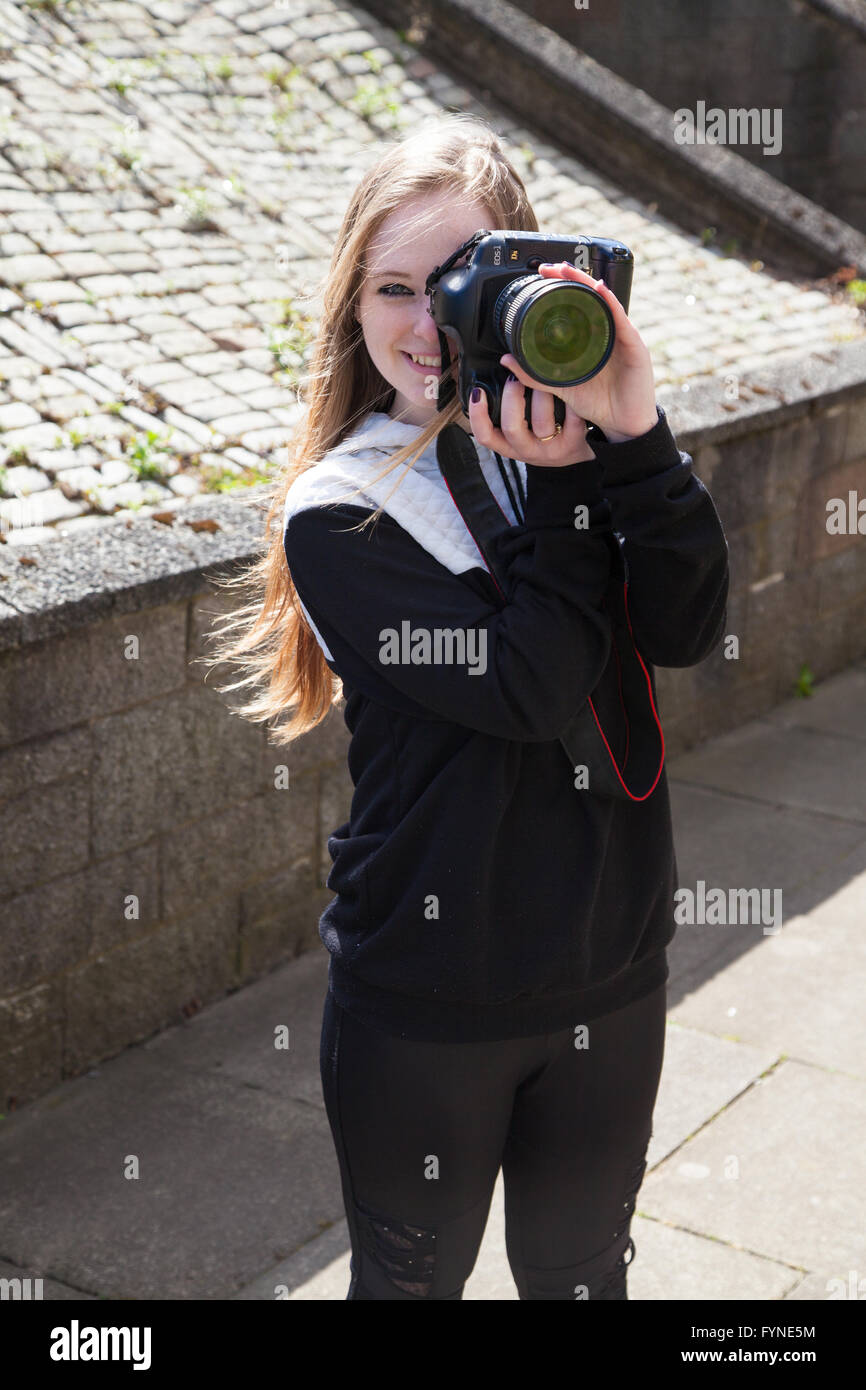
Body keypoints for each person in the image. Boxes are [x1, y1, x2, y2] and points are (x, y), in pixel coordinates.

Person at [205, 113, 729, 1299]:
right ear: (352, 305)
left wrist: (634, 435)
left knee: (583, 1274)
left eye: (458, 281)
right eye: (394, 287)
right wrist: (564, 483)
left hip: (608, 965)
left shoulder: (582, 441)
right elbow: (529, 681)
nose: (427, 321)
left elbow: (691, 628)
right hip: (430, 999)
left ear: (526, 281)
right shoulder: (338, 512)